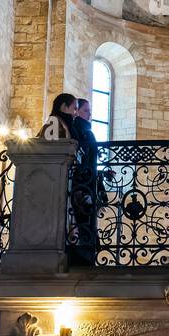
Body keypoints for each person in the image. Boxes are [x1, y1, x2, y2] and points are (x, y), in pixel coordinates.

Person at [68, 98, 104, 265]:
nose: (90, 114)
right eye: (86, 110)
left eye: (90, 111)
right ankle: (83, 255)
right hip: (82, 183)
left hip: (87, 181)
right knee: (83, 219)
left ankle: (86, 253)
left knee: (86, 220)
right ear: (77, 111)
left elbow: (89, 159)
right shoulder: (78, 129)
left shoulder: (84, 130)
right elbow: (81, 158)